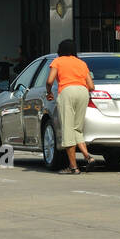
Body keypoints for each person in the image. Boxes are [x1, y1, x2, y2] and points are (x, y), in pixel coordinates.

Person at [45, 40, 95, 173]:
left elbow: (50, 80)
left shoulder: (58, 61)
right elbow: (91, 86)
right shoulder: (82, 63)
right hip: (83, 92)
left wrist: (49, 93)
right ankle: (88, 157)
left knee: (68, 130)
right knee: (77, 129)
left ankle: (73, 167)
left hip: (67, 91)